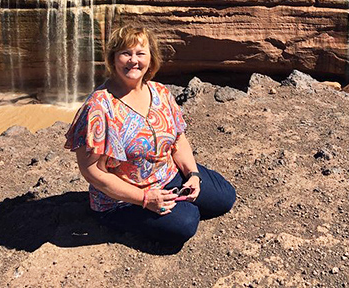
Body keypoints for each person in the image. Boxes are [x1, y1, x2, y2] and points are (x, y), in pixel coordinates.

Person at [64, 24, 236, 245]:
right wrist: (145, 198)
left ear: (151, 59)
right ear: (113, 58)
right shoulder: (99, 107)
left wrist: (192, 174)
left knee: (225, 197)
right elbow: (91, 171)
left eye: (140, 53)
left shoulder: (161, 92)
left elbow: (178, 140)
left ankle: (176, 199)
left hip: (166, 175)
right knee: (186, 222)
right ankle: (115, 219)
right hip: (123, 198)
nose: (133, 60)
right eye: (126, 53)